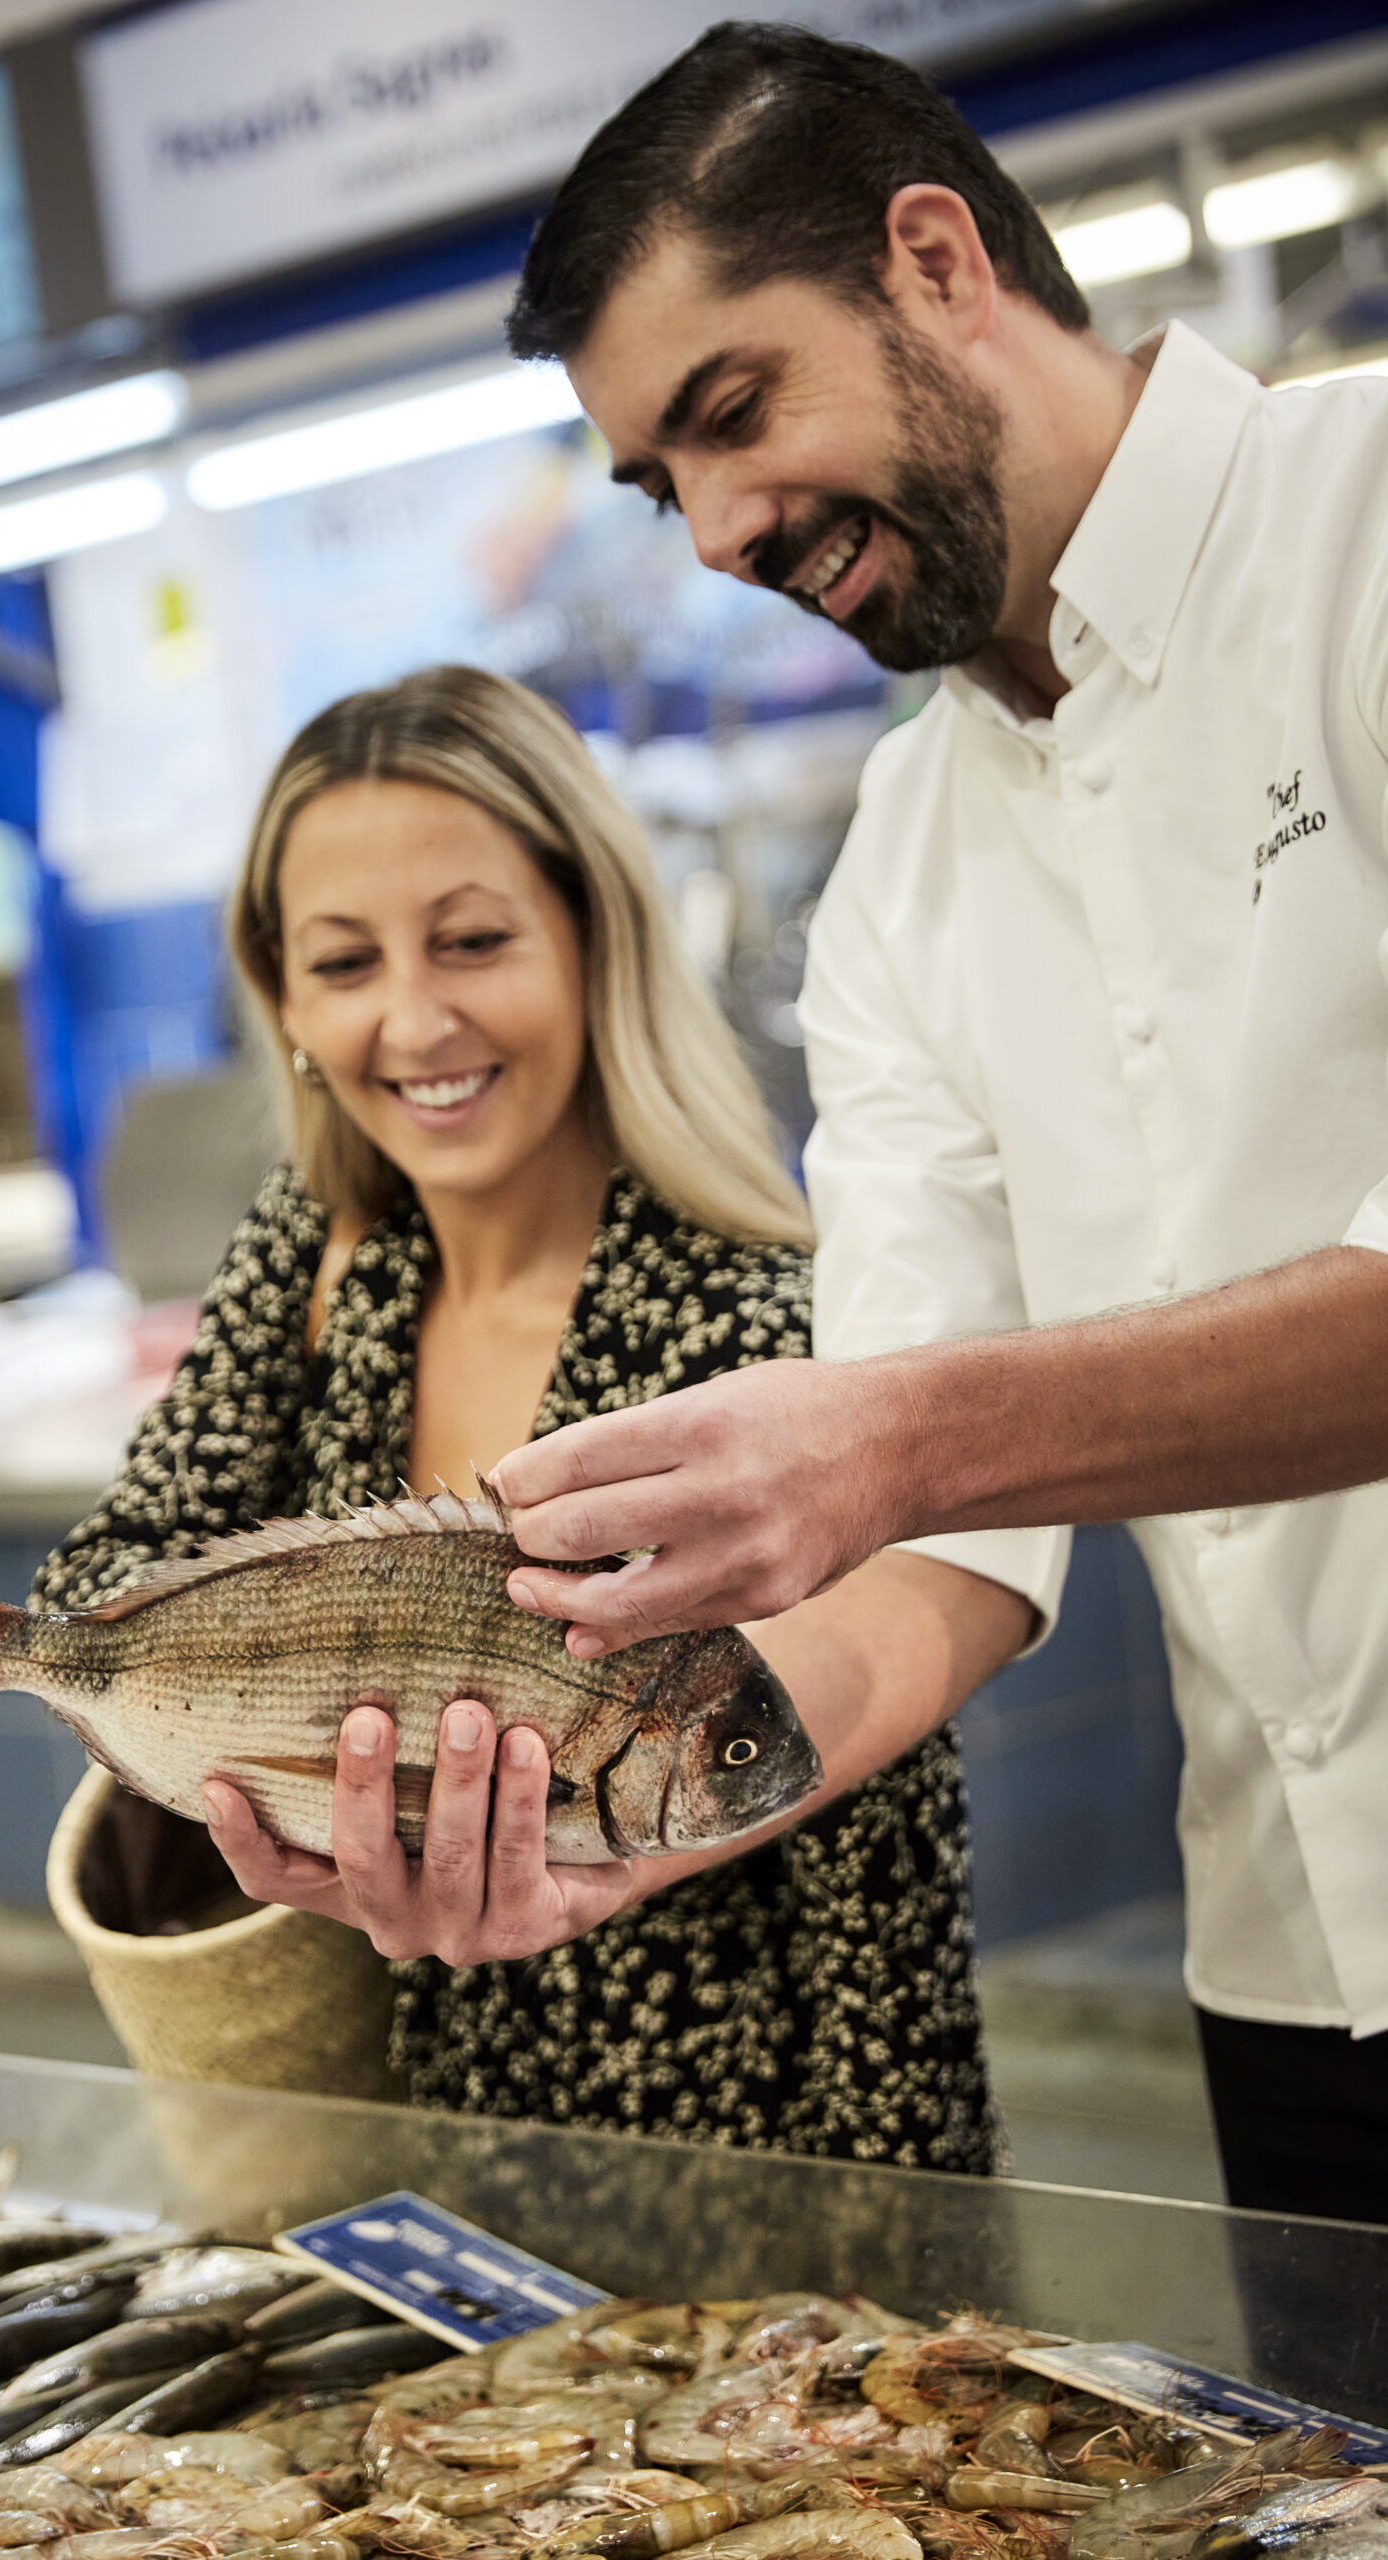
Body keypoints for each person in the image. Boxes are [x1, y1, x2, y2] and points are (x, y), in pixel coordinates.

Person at [454, 24, 1388, 2223]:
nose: (716, 533)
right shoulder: (899, 864)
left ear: (938, 261)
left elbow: (921, 1444)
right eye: (652, 485)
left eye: (733, 412)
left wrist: (906, 1434)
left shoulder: (1365, 533)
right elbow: (935, 1553)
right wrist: (602, 1813)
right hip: (1289, 1960)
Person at [35, 664, 1013, 2167]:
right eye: (343, 962)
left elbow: (850, 1804)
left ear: (589, 939)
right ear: (282, 999)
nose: (415, 1020)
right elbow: (97, 1586)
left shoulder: (752, 1337)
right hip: (409, 2156)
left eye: (474, 941)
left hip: (737, 2161)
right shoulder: (313, 1258)